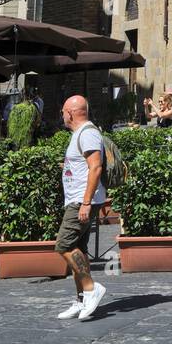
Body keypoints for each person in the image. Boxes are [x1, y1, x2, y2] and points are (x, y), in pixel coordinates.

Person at [54, 95, 107, 322]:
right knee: (78, 248)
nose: (62, 115)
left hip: (81, 201)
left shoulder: (88, 133)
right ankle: (81, 298)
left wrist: (86, 202)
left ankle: (90, 288)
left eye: (63, 111)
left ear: (72, 113)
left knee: (64, 245)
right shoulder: (80, 134)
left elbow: (95, 168)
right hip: (77, 199)